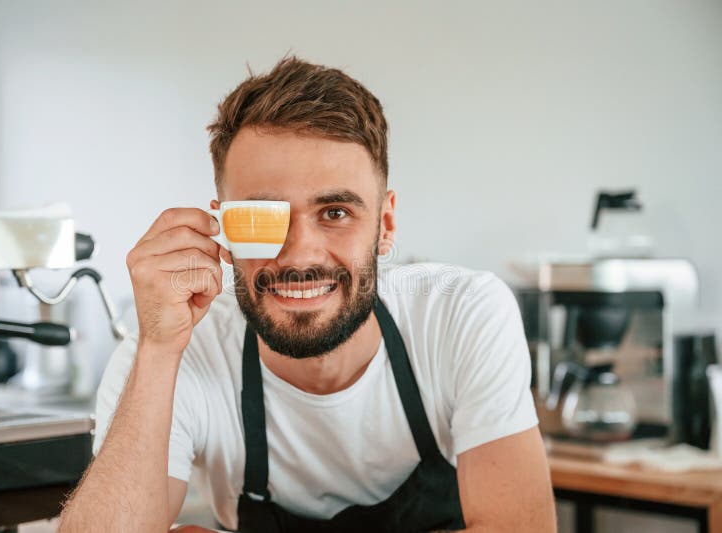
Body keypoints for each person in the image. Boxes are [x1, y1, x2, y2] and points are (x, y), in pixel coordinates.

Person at [59, 56, 556, 532]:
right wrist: (158, 349)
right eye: (260, 218)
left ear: (385, 225)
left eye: (335, 212)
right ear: (223, 227)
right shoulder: (173, 346)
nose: (299, 255)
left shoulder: (461, 315)